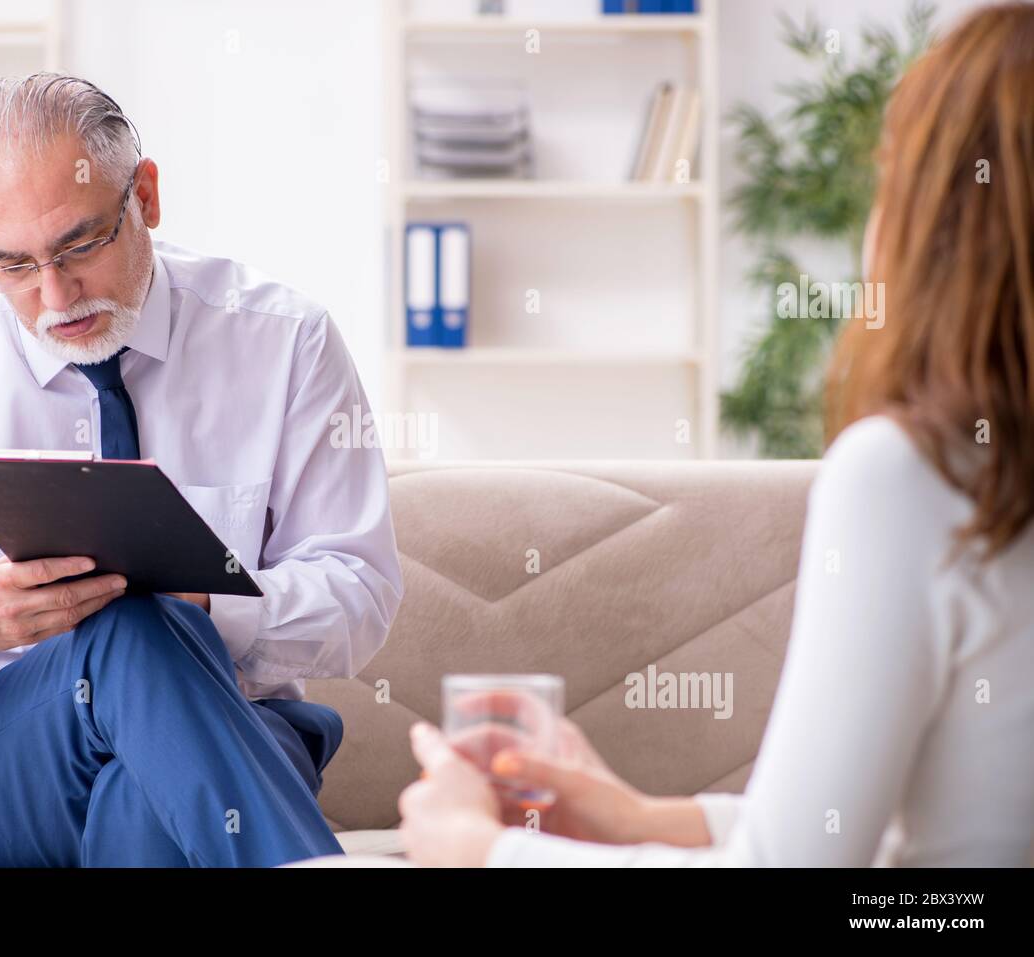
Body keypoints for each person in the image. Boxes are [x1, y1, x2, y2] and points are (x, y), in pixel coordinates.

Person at [398, 2, 1034, 867]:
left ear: (939, 214)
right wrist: (635, 816)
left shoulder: (914, 477)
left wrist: (478, 850)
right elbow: (912, 823)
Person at [0, 74, 404, 867]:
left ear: (146, 196)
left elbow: (360, 592)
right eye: (11, 264)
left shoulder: (285, 344)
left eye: (80, 245)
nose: (54, 295)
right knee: (123, 634)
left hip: (230, 726)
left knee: (143, 797)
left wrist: (206, 606)